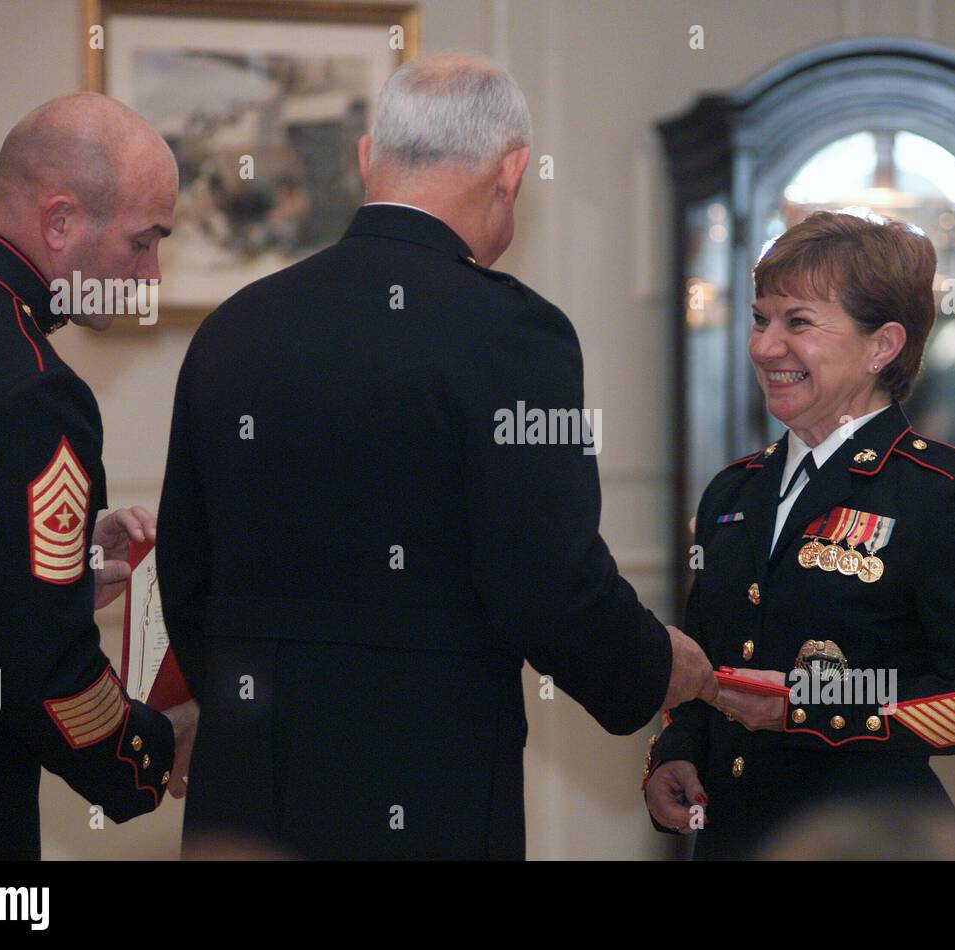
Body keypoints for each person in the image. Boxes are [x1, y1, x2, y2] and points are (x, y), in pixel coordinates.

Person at [156, 52, 716, 860]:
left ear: (364, 158)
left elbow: (187, 566)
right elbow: (545, 581)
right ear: (512, 170)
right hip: (420, 774)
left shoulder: (235, 326)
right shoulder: (515, 334)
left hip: (242, 781)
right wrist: (651, 663)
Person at [643, 209, 955, 859]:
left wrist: (807, 705)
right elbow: (711, 666)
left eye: (797, 322)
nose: (765, 346)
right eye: (760, 319)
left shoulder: (935, 493)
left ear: (882, 346)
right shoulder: (733, 492)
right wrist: (676, 753)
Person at [0, 93, 197, 859]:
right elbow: (38, 664)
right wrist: (149, 751)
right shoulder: (30, 384)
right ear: (60, 221)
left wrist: (58, 570)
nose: (152, 274)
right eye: (143, 243)